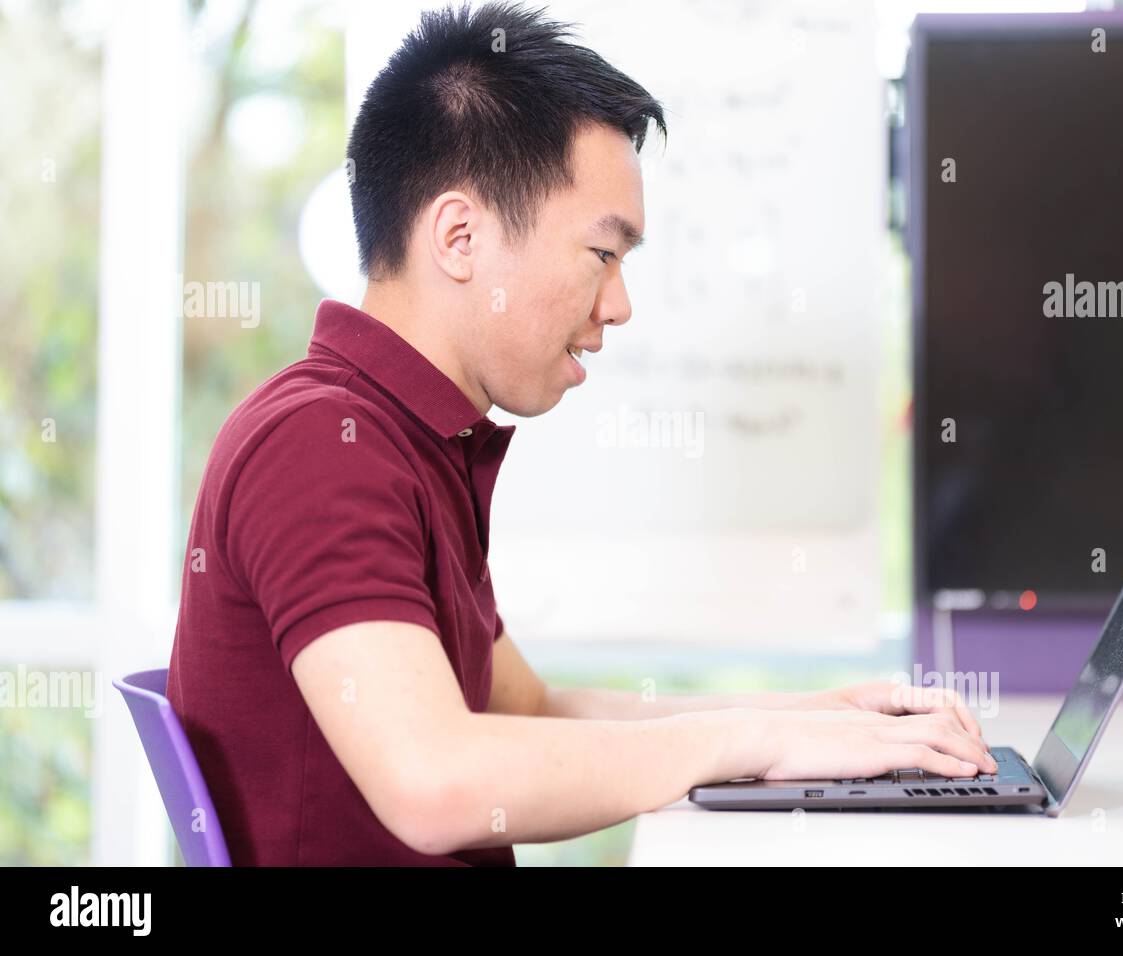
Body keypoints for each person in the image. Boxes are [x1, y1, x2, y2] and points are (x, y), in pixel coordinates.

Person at [167, 1, 996, 866]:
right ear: (459, 237)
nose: (620, 305)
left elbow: (524, 711)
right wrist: (758, 744)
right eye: (603, 253)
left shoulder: (404, 439)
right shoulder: (320, 447)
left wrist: (811, 718)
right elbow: (434, 782)